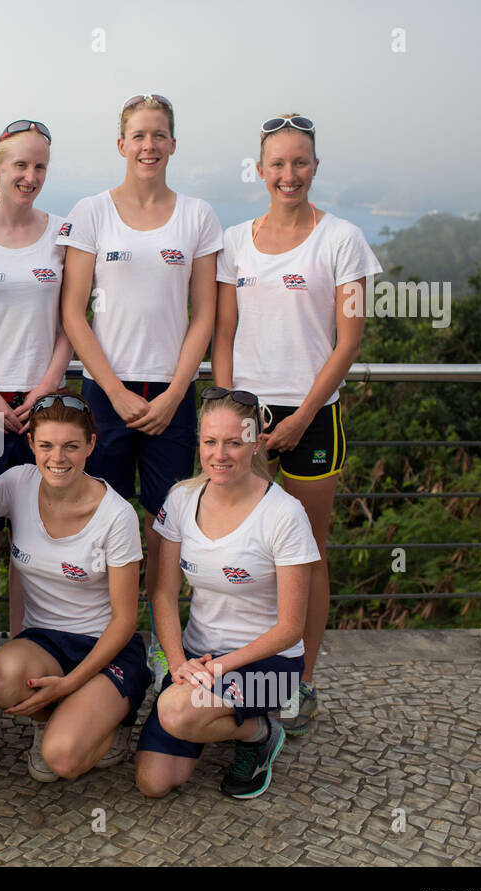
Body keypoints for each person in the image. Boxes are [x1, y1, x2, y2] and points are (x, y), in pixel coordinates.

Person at [213, 113, 382, 736]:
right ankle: (236, 669)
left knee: (306, 556)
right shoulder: (233, 241)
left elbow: (349, 341)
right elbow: (222, 331)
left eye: (301, 162)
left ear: (315, 166)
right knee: (235, 547)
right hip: (247, 418)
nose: (289, 174)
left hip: (314, 415)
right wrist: (233, 413)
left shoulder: (344, 239)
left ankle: (300, 682)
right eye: (278, 164)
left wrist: (302, 416)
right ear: (260, 171)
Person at [57, 93, 222, 609]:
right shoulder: (91, 212)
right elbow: (72, 312)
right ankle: (99, 625)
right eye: (138, 135)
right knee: (99, 512)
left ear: (172, 143)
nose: (148, 145)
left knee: (167, 521)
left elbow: (206, 315)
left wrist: (175, 394)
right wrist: (114, 391)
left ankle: (159, 637)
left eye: (158, 135)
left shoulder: (197, 215)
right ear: (121, 143)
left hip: (170, 396)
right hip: (106, 394)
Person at [135, 389, 319, 799]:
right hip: (199, 657)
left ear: (257, 442)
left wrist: (218, 670)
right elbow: (162, 595)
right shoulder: (181, 499)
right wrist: (180, 664)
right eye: (210, 441)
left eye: (234, 442)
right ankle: (231, 719)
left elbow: (291, 628)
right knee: (153, 782)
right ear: (198, 441)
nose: (220, 454)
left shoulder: (284, 513)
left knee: (177, 712)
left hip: (272, 667)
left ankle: (259, 732)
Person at [0, 391, 148, 783]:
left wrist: (71, 683)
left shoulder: (117, 515)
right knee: (0, 679)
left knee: (62, 761)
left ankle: (109, 717)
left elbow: (125, 621)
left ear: (90, 445)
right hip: (44, 642)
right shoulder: (17, 482)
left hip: (107, 647)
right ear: (31, 445)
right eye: (47, 446)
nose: (58, 458)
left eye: (71, 446)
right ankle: (53, 717)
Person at [0, 119, 74, 641]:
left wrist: (48, 388)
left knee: (34, 535)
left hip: (45, 407)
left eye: (39, 166)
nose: (29, 176)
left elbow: (71, 324)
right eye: (20, 165)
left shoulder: (64, 234)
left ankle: (28, 642)